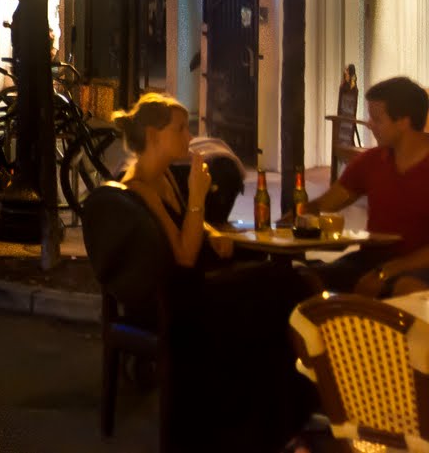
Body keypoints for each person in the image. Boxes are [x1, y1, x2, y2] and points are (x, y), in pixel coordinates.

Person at [115, 93, 313, 452]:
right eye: (180, 129)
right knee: (287, 284)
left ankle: (272, 421)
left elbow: (184, 231)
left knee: (281, 296)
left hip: (191, 291)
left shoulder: (162, 178)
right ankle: (281, 418)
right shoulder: (140, 187)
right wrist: (197, 196)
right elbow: (186, 256)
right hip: (178, 303)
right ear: (155, 135)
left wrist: (210, 231)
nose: (189, 138)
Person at [308, 75, 429, 295]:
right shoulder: (372, 160)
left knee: (407, 289)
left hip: (418, 267)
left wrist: (387, 271)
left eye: (376, 119)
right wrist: (282, 225)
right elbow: (325, 204)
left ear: (403, 121)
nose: (369, 124)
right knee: (306, 280)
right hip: (372, 260)